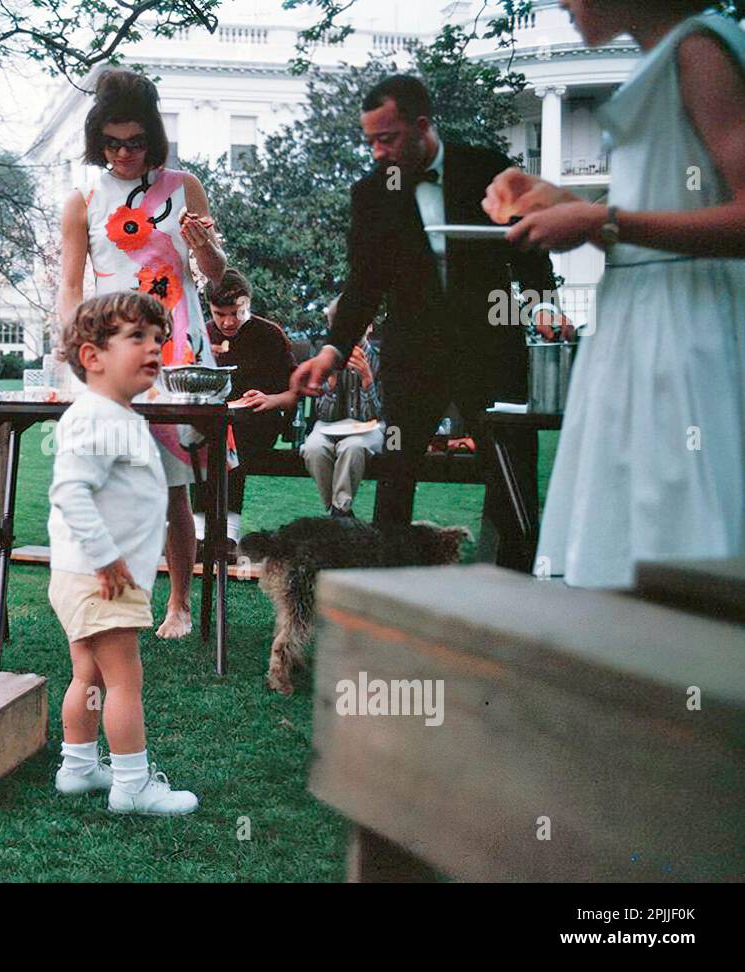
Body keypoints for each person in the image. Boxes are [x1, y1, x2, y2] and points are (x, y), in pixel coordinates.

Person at [484, 1, 745, 588]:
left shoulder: (701, 50)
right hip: (640, 328)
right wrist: (559, 201)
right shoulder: (664, 58)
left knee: (682, 533)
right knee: (626, 539)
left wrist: (601, 224)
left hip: (687, 334)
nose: (562, 4)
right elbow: (670, 206)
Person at [291, 74, 563, 571]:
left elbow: (529, 249)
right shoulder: (371, 194)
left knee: (511, 473)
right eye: (370, 140)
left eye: (386, 138)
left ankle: (511, 584)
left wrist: (543, 304)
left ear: (421, 126)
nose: (376, 151)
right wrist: (332, 350)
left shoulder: (486, 169)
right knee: (397, 475)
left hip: (490, 348)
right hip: (412, 358)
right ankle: (393, 593)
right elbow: (363, 285)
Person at [58, 68, 228, 640]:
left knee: (174, 480)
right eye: (113, 142)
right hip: (108, 352)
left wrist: (204, 247)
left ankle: (179, 604)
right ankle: (111, 593)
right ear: (97, 140)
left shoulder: (184, 186)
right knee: (107, 474)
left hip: (176, 344)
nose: (125, 153)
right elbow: (70, 287)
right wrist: (74, 351)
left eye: (135, 141)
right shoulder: (82, 200)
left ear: (152, 137)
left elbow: (216, 276)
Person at [48, 292, 198, 816]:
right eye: (137, 338)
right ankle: (133, 785)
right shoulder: (98, 419)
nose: (154, 347)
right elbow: (69, 494)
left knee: (88, 675)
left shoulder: (114, 415)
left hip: (80, 575)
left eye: (159, 338)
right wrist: (109, 559)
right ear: (93, 357)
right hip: (102, 577)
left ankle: (79, 767)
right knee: (124, 682)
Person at [193, 268, 296, 555]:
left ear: (247, 302)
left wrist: (271, 400)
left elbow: (294, 393)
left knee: (230, 437)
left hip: (259, 422)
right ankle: (200, 531)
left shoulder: (269, 335)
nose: (227, 322)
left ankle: (228, 533)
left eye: (236, 312)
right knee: (199, 435)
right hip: (215, 421)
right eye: (219, 313)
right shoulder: (202, 333)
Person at [300, 298, 385, 517]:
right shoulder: (327, 361)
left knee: (352, 447)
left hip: (369, 428)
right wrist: (332, 382)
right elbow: (324, 415)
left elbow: (375, 416)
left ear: (368, 326)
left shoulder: (381, 361)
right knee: (313, 449)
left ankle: (339, 511)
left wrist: (367, 380)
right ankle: (338, 513)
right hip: (329, 426)